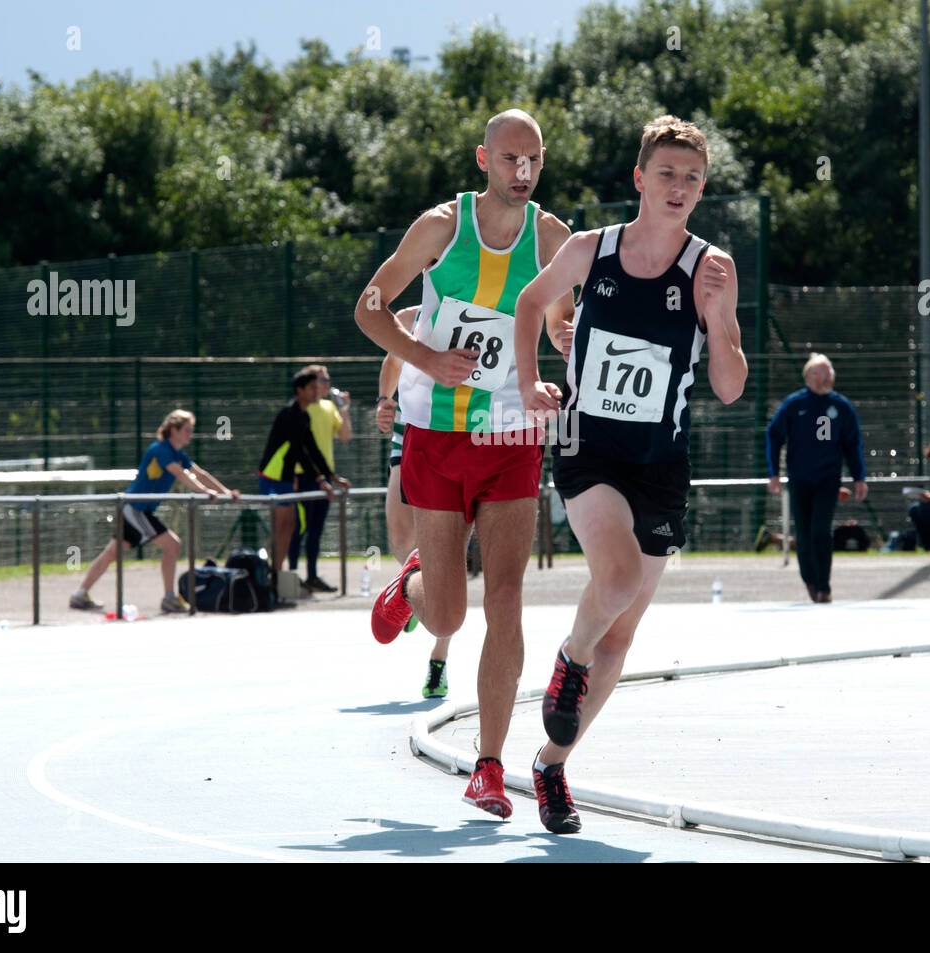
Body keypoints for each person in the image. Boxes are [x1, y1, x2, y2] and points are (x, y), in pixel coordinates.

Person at [515, 115, 748, 834]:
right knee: (612, 583)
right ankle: (568, 658)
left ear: (702, 189)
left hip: (661, 462)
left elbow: (732, 385)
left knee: (622, 636)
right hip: (590, 446)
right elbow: (528, 303)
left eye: (693, 178)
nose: (679, 187)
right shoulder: (592, 251)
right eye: (667, 174)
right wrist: (528, 386)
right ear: (640, 179)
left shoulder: (712, 267)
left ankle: (552, 763)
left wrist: (716, 318)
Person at [355, 108, 574, 819]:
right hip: (437, 431)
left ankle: (488, 765)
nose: (523, 171)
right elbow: (370, 306)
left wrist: (569, 343)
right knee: (450, 610)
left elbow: (565, 321)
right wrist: (423, 357)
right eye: (510, 158)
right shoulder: (441, 227)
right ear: (484, 159)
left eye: (534, 159)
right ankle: (413, 588)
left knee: (506, 595)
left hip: (512, 432)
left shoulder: (553, 238)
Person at [70, 409, 240, 614]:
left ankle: (80, 594)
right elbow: (181, 474)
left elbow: (199, 473)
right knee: (173, 545)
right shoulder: (160, 449)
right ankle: (169, 598)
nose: (190, 434)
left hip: (138, 510)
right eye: (187, 430)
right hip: (135, 509)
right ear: (174, 430)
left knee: (111, 553)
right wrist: (206, 492)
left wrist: (226, 492)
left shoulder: (178, 454)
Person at [375, 307, 453, 698]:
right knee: (401, 541)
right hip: (407, 439)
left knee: (446, 560)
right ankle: (412, 588)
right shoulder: (408, 316)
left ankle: (438, 664)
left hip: (458, 439)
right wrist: (384, 401)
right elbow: (392, 359)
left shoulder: (487, 304)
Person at [765, 353, 867, 603]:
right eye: (822, 372)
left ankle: (824, 586)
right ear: (809, 376)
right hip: (800, 479)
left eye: (830, 372)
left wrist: (859, 477)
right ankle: (809, 580)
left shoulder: (841, 406)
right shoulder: (795, 403)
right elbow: (774, 436)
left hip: (828, 479)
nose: (828, 377)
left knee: (821, 530)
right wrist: (774, 473)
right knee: (804, 532)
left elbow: (852, 444)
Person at [257, 367, 350, 575]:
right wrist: (321, 479)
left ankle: (277, 576)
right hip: (273, 476)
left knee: (289, 527)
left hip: (286, 476)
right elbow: (299, 452)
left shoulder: (304, 415)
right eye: (312, 388)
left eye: (317, 387)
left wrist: (332, 477)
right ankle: (273, 577)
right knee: (281, 528)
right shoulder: (289, 414)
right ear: (299, 390)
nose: (316, 392)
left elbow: (313, 450)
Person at [287, 363, 352, 594]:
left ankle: (312, 577)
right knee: (297, 529)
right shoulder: (301, 408)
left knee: (316, 530)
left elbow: (345, 436)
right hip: (301, 477)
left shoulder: (327, 407)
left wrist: (344, 410)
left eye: (326, 381)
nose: (326, 385)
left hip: (323, 478)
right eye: (322, 381)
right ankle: (292, 579)